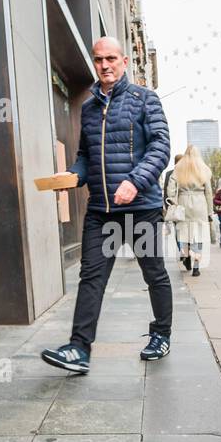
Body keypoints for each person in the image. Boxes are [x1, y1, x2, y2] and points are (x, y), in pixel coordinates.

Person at [41, 37, 172, 373]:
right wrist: (71, 175)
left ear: (124, 61)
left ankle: (161, 334)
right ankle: (79, 348)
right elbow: (85, 155)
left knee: (154, 273)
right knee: (91, 277)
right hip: (102, 211)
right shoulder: (88, 107)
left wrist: (135, 181)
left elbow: (160, 147)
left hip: (141, 207)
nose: (105, 65)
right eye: (99, 60)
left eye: (111, 58)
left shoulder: (145, 100)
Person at [167, 144, 217, 275]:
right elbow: (208, 192)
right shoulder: (203, 169)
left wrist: (174, 203)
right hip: (200, 204)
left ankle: (186, 255)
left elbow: (170, 190)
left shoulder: (178, 169)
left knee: (184, 234)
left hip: (183, 203)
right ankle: (196, 266)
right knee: (198, 236)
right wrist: (210, 211)